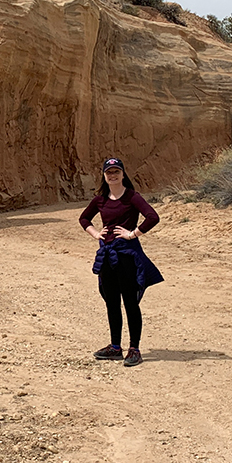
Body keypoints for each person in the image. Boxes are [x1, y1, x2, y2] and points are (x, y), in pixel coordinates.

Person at [79, 157, 163, 367]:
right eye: (109, 172)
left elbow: (152, 217)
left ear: (123, 174)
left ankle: (134, 349)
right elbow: (84, 218)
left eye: (117, 171)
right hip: (107, 255)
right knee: (111, 302)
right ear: (104, 176)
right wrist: (96, 233)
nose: (113, 175)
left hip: (127, 256)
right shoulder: (100, 199)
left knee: (130, 302)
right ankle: (115, 347)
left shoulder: (132, 197)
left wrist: (133, 233)